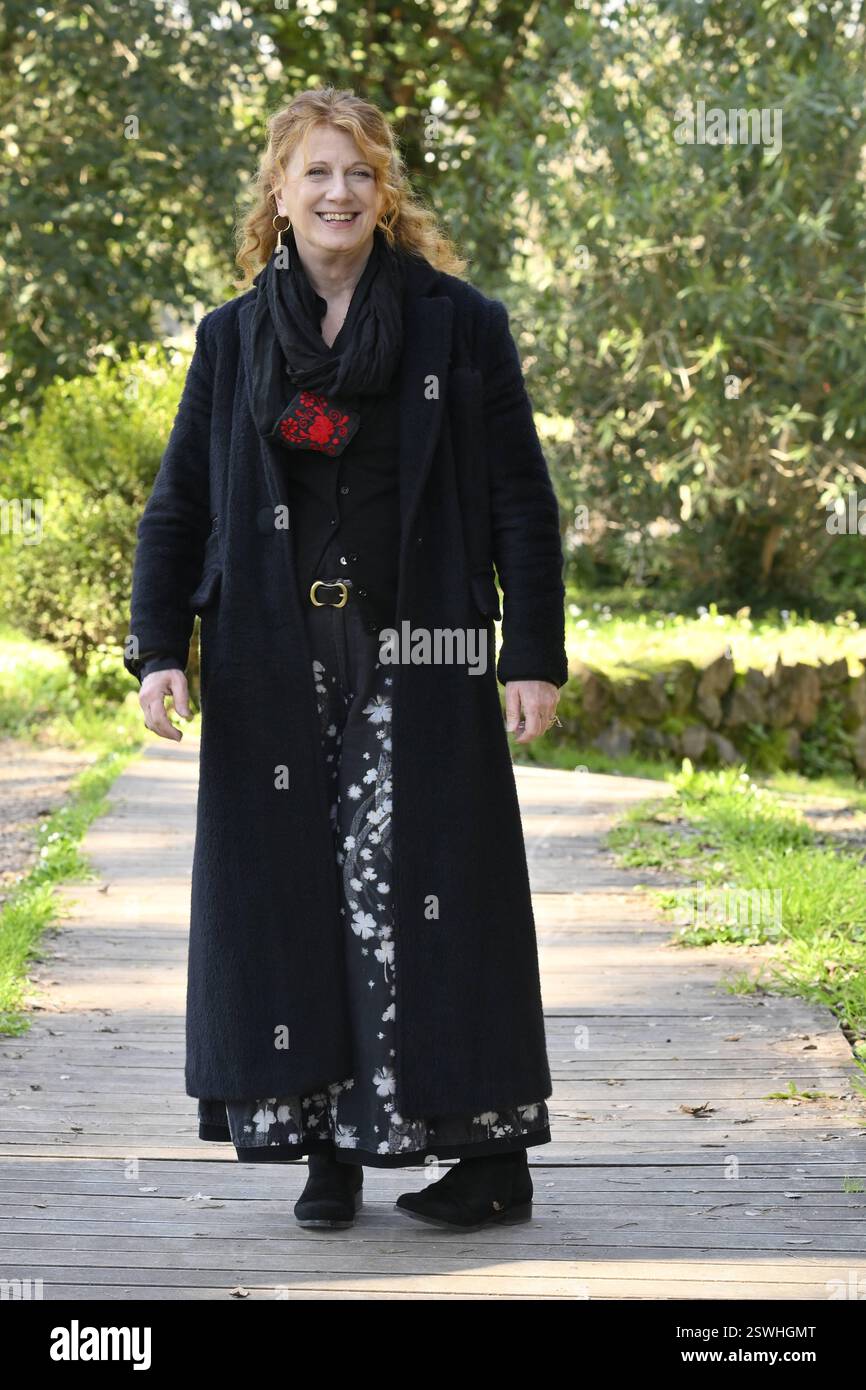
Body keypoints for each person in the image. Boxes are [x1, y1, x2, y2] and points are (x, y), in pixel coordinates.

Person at [125, 87, 568, 1233]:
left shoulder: (456, 324)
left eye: (359, 174)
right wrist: (156, 647)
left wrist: (532, 653)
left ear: (385, 195)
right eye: (316, 173)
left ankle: (485, 1156)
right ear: (278, 192)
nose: (337, 193)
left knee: (423, 901)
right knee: (297, 902)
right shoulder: (232, 337)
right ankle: (327, 1145)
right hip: (273, 656)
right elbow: (177, 504)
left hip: (422, 649)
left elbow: (520, 495)